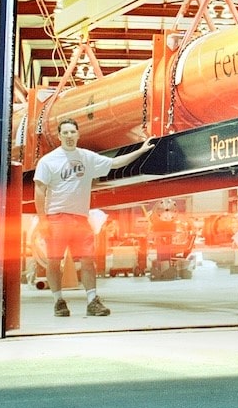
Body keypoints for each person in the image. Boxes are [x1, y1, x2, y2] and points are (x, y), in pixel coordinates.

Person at [33, 118, 152, 317]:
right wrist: (43, 220)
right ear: (59, 136)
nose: (69, 136)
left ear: (78, 135)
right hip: (56, 218)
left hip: (80, 219)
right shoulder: (48, 161)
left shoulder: (87, 158)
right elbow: (39, 190)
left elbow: (115, 163)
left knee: (88, 260)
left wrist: (141, 150)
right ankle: (58, 301)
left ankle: (92, 301)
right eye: (66, 133)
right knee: (54, 262)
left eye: (73, 132)